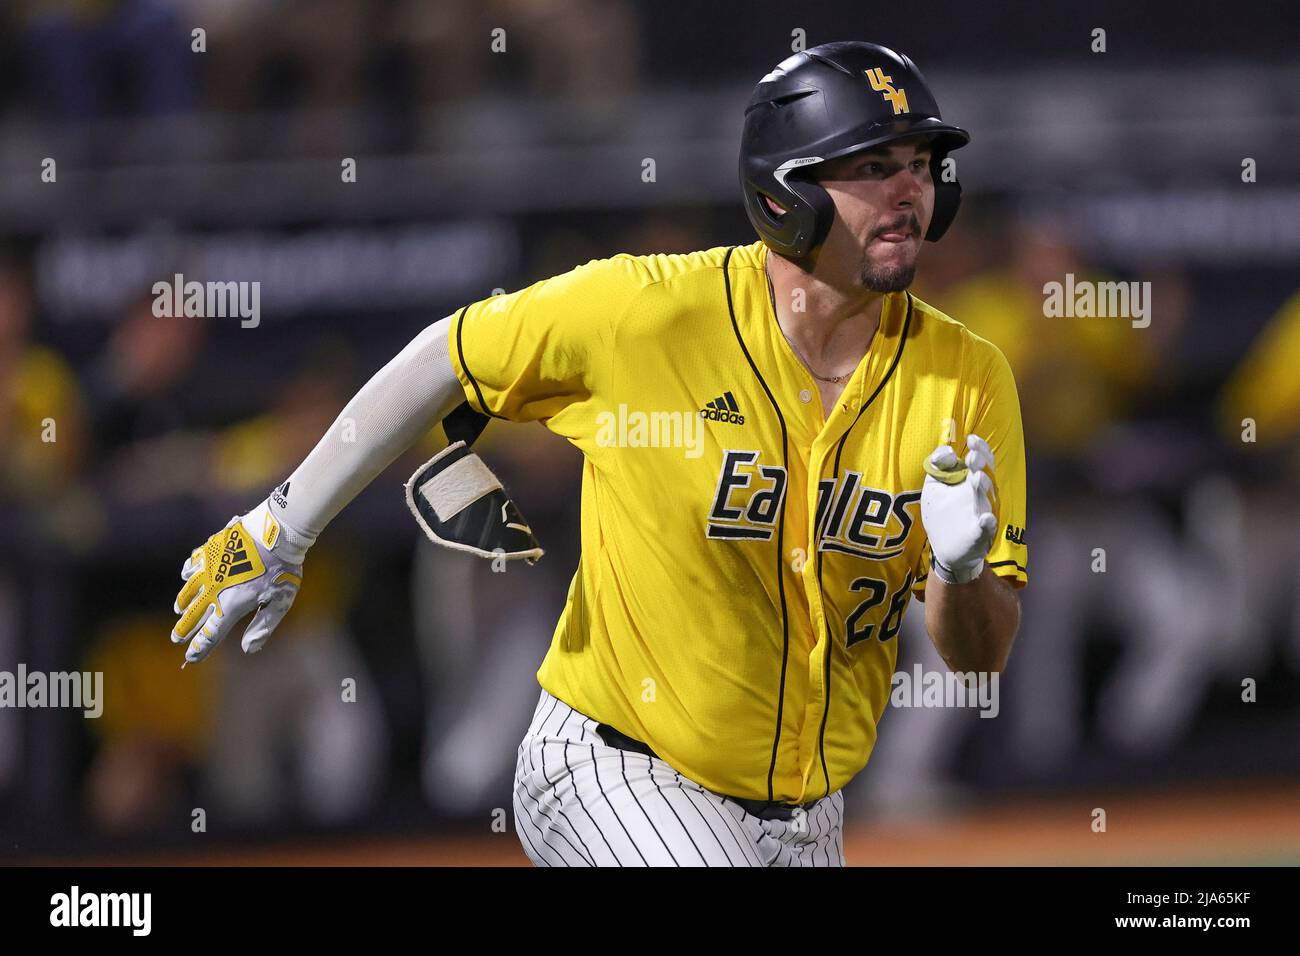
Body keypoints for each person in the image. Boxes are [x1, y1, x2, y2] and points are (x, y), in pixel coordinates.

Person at [169, 41, 1028, 867]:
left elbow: (979, 656)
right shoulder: (648, 314)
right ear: (787, 191)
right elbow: (444, 355)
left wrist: (958, 573)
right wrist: (284, 522)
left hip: (809, 813)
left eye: (920, 164)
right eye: (874, 168)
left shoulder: (968, 379)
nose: (909, 190)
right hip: (616, 768)